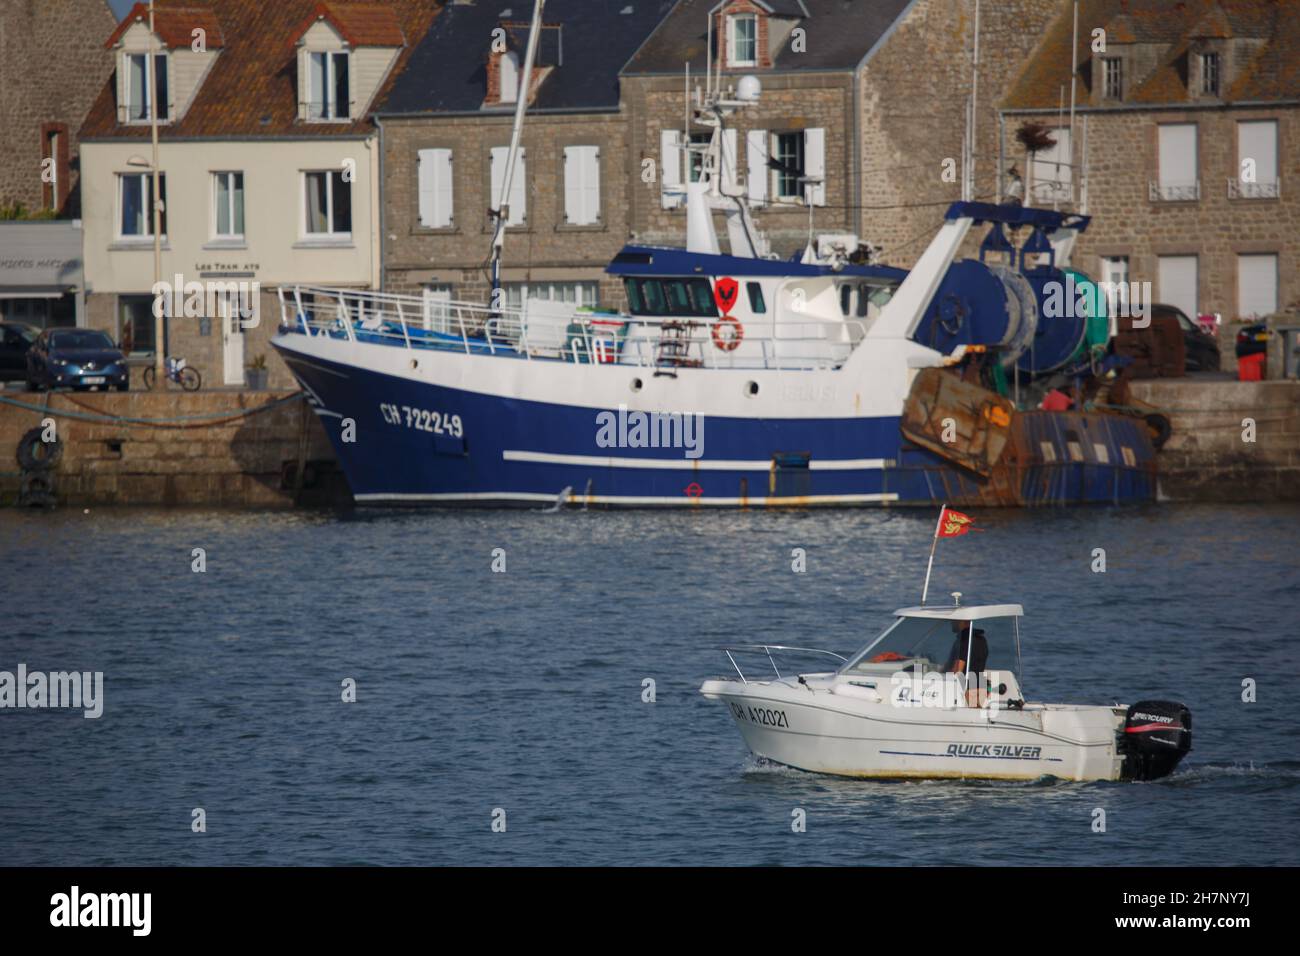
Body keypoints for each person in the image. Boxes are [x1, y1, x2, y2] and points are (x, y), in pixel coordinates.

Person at [944, 620, 989, 706]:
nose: (951, 622)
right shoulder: (981, 639)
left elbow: (957, 671)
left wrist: (939, 673)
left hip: (967, 691)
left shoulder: (964, 641)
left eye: (954, 621)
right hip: (979, 686)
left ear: (961, 622)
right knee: (977, 716)